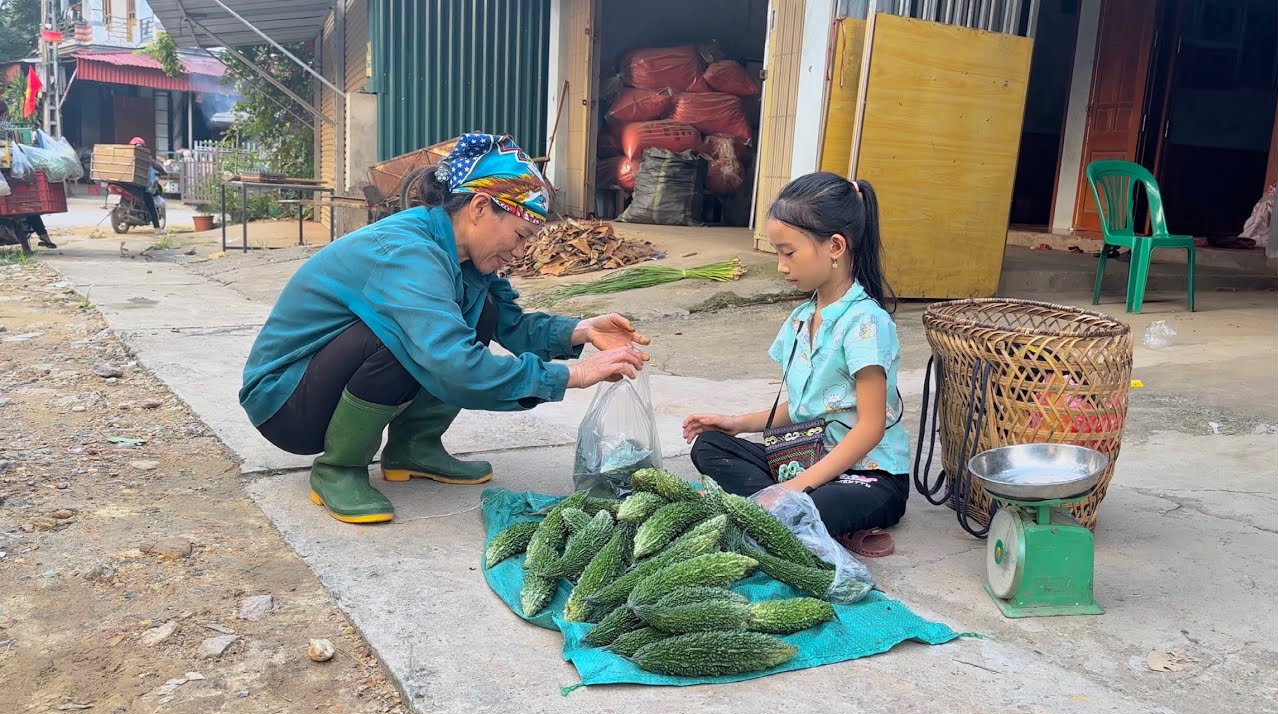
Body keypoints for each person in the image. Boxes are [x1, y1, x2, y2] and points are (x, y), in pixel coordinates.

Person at [241, 133, 649, 525]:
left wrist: (582, 330)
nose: (521, 252)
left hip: (322, 383)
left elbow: (511, 324)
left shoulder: (468, 258)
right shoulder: (407, 254)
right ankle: (339, 468)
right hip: (287, 402)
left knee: (481, 311)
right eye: (520, 235)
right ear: (479, 207)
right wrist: (573, 376)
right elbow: (455, 365)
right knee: (405, 341)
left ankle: (413, 448)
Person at [683, 172, 909, 557]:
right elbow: (807, 407)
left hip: (868, 474)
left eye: (789, 253)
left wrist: (796, 486)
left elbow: (870, 428)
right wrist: (736, 424)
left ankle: (788, 507)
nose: (781, 267)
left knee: (822, 504)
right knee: (710, 446)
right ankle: (785, 509)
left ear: (835, 246)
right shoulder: (802, 318)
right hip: (808, 456)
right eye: (778, 254)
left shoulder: (866, 325)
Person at [0, 99, 56, 249]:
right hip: (13, 171)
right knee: (25, 204)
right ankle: (44, 236)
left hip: (5, 172)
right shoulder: (8, 127)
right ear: (5, 113)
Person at [126, 137, 166, 230]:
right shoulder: (145, 156)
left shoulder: (127, 155)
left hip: (127, 184)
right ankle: (157, 227)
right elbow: (157, 166)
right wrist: (164, 172)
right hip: (142, 185)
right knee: (150, 203)